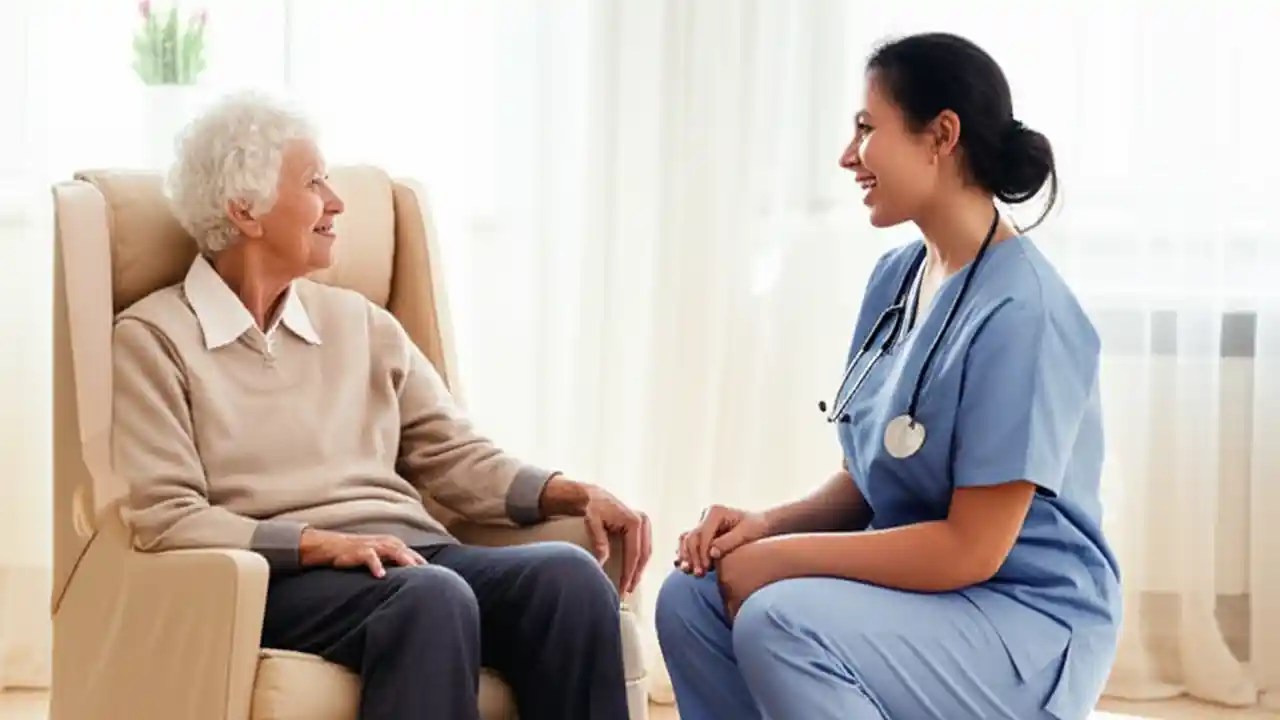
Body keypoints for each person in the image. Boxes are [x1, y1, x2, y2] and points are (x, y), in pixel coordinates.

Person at [111, 92, 651, 720]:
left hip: (411, 555)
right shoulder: (153, 339)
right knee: (430, 597)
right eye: (315, 183)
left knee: (568, 579)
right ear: (245, 211)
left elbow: (454, 455)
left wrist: (570, 493)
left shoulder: (361, 323)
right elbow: (169, 517)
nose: (337, 203)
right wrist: (318, 543)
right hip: (279, 577)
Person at [655, 32, 1120, 720]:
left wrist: (785, 561)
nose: (849, 157)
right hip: (926, 596)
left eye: (867, 130)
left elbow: (972, 549)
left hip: (1024, 622)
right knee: (690, 597)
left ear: (941, 136)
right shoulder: (898, 277)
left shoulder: (1028, 313)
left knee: (778, 618)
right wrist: (765, 527)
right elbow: (877, 472)